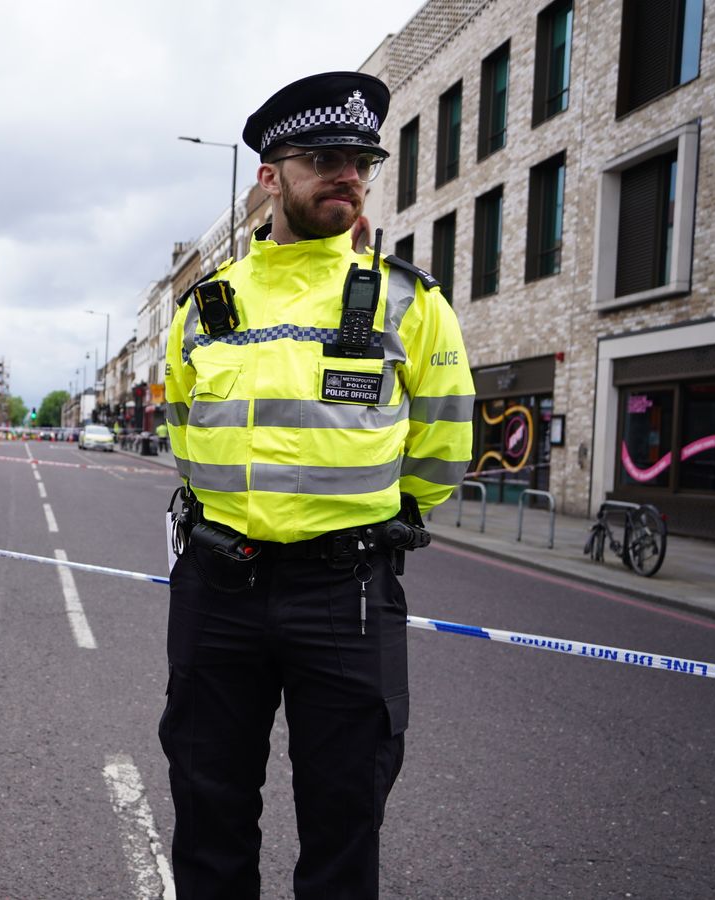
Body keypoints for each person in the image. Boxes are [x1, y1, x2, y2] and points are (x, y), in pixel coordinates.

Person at [159, 71, 474, 899]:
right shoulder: (206, 306)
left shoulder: (409, 303)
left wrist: (375, 526)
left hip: (348, 592)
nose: (350, 174)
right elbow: (185, 434)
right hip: (219, 587)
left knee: (344, 817)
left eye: (362, 159)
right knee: (207, 805)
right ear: (270, 176)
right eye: (326, 157)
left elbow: (443, 446)